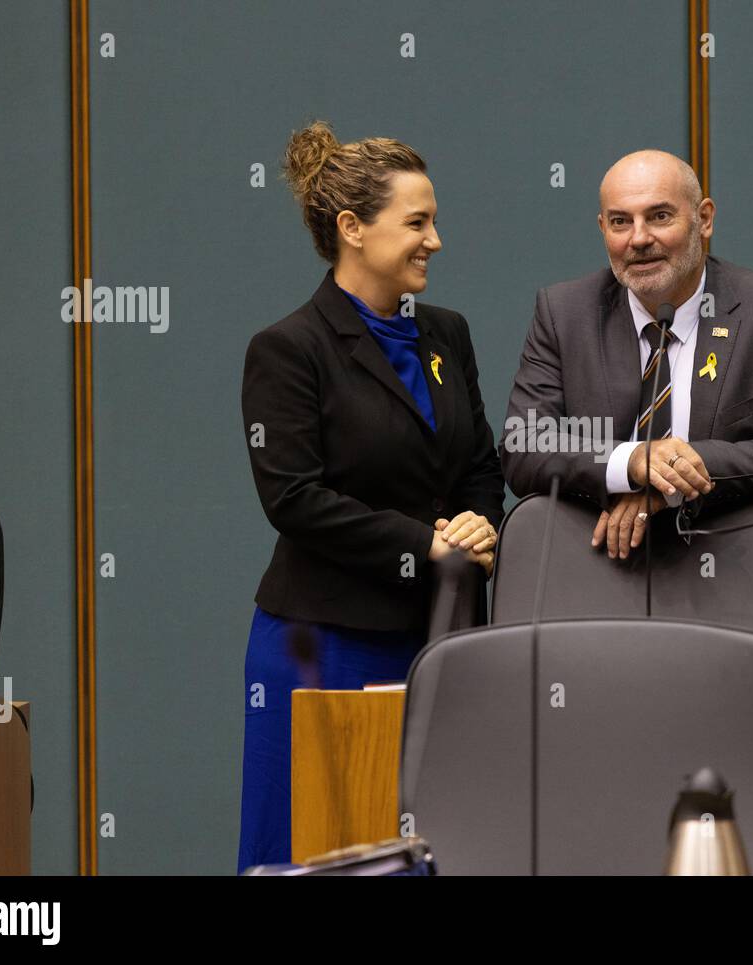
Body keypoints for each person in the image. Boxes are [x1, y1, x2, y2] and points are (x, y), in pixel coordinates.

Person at [238, 122, 503, 872]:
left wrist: (481, 524)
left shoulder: (446, 334)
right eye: (417, 222)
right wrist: (426, 544)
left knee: (432, 848)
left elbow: (479, 465)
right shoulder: (289, 349)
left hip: (439, 639)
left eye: (434, 220)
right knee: (315, 846)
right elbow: (293, 497)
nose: (436, 240)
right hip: (323, 647)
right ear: (353, 229)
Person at [500, 149, 753, 559]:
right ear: (602, 228)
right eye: (620, 222)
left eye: (660, 216)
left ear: (704, 218)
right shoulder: (564, 313)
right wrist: (630, 462)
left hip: (737, 568)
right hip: (599, 567)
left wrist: (674, 479)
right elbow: (524, 446)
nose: (639, 238)